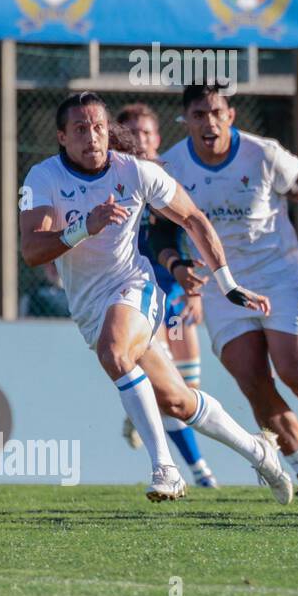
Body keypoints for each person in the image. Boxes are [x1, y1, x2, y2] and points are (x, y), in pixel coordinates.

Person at [17, 92, 291, 504]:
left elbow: (193, 218)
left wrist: (227, 283)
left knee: (115, 352)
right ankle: (259, 451)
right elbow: (32, 250)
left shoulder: (137, 172)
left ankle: (165, 469)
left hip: (134, 285)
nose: (92, 137)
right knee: (178, 401)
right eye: (80, 129)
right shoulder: (43, 177)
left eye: (98, 128)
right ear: (61, 136)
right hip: (89, 306)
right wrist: (82, 229)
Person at [159, 85, 298, 499]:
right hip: (223, 286)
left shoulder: (262, 153)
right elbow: (160, 228)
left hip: (279, 275)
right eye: (198, 114)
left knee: (297, 375)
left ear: (230, 115)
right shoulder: (173, 165)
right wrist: (177, 265)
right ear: (186, 120)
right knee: (252, 379)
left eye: (216, 112)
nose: (209, 122)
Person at [112, 105, 217, 490]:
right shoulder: (111, 177)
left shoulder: (169, 178)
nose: (140, 139)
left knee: (186, 388)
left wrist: (194, 290)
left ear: (158, 139)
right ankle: (202, 474)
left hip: (173, 292)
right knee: (167, 388)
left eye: (147, 133)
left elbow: (186, 232)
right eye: (132, 132)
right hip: (135, 295)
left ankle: (144, 408)